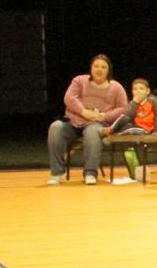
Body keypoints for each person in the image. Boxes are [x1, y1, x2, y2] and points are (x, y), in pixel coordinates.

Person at [46, 54, 128, 185]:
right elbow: (69, 98)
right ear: (91, 68)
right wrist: (83, 112)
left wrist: (105, 116)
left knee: (92, 132)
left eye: (103, 67)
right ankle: (57, 172)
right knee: (55, 127)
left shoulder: (116, 87)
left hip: (97, 123)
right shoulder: (79, 81)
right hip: (74, 121)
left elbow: (123, 108)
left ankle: (90, 173)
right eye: (96, 66)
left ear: (108, 70)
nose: (99, 70)